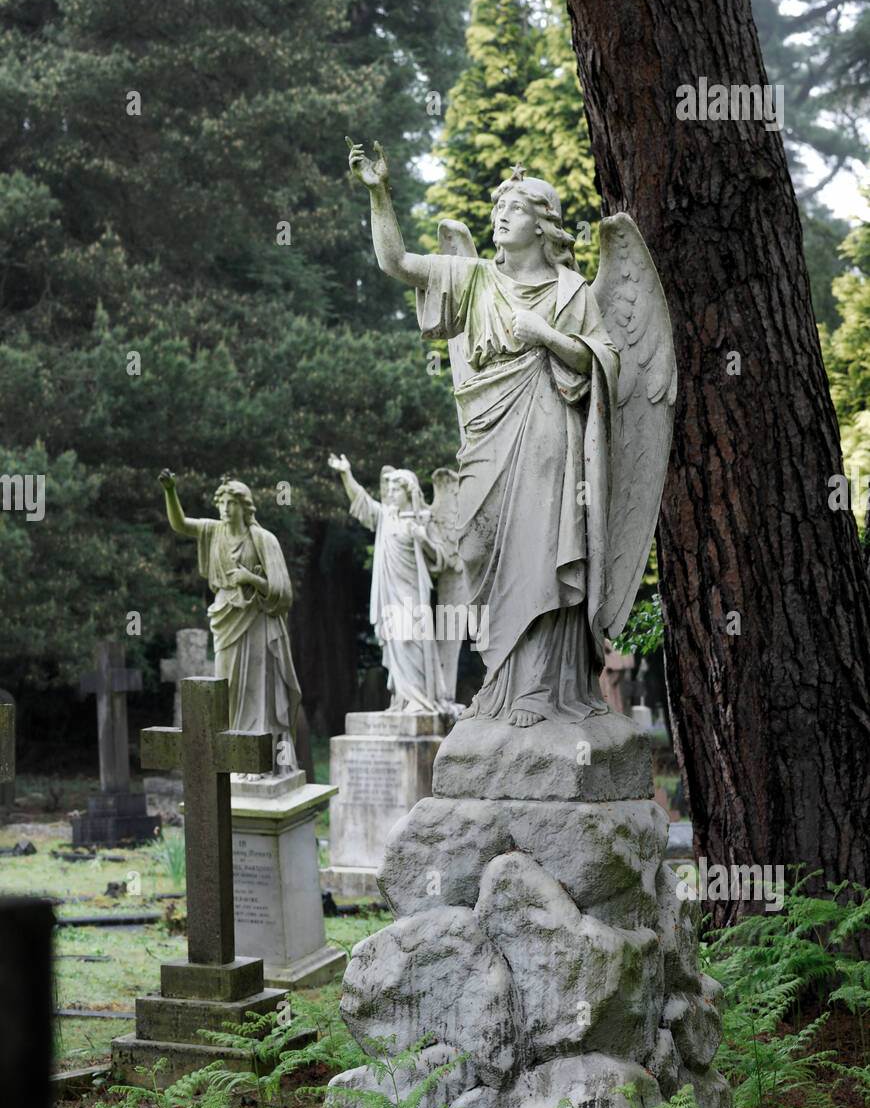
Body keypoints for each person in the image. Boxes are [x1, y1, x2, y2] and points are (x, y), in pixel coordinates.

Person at [347, 141, 620, 726]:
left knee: (543, 555)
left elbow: (603, 364)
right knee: (473, 550)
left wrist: (543, 334)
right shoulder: (471, 279)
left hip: (547, 430)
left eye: (515, 208)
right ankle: (500, 682)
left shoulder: (570, 291)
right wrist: (379, 194)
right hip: (485, 434)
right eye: (497, 207)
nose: (500, 215)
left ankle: (535, 692)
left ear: (543, 225)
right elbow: (395, 263)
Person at [158, 469, 301, 776]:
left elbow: (283, 592)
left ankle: (262, 761)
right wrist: (170, 491)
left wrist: (250, 578)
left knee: (258, 690)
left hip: (258, 621)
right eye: (221, 502)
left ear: (244, 506)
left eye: (231, 503)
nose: (224, 508)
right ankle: (235, 757)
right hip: (226, 618)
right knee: (229, 687)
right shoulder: (213, 532)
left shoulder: (263, 539)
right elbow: (180, 524)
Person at [328, 453, 453, 714]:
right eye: (390, 488)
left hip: (412, 595)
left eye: (397, 488)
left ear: (408, 492)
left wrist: (423, 538)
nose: (391, 492)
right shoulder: (386, 516)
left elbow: (442, 559)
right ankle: (403, 699)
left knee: (411, 640)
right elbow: (362, 502)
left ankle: (419, 698)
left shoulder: (421, 520)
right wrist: (346, 474)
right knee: (397, 641)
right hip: (389, 593)